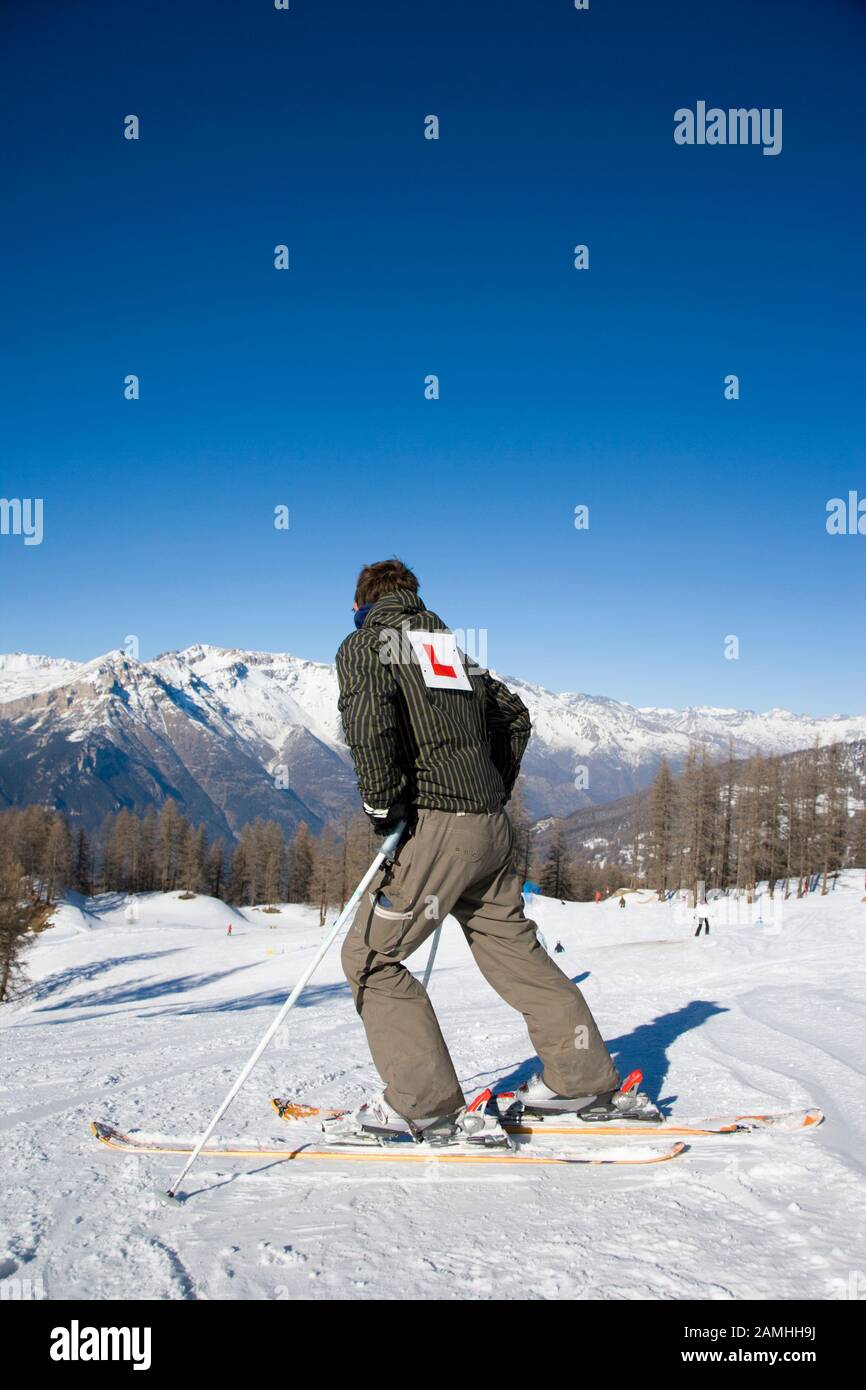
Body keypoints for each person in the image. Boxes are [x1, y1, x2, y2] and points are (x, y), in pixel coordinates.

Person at [335, 558, 657, 1144]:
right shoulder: (447, 651)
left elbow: (367, 723)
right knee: (515, 952)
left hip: (438, 829)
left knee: (370, 959)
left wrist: (385, 806)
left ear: (363, 604)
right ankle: (582, 1080)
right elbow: (514, 715)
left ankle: (424, 1106)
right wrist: (488, 790)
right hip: (490, 829)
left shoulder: (369, 643)